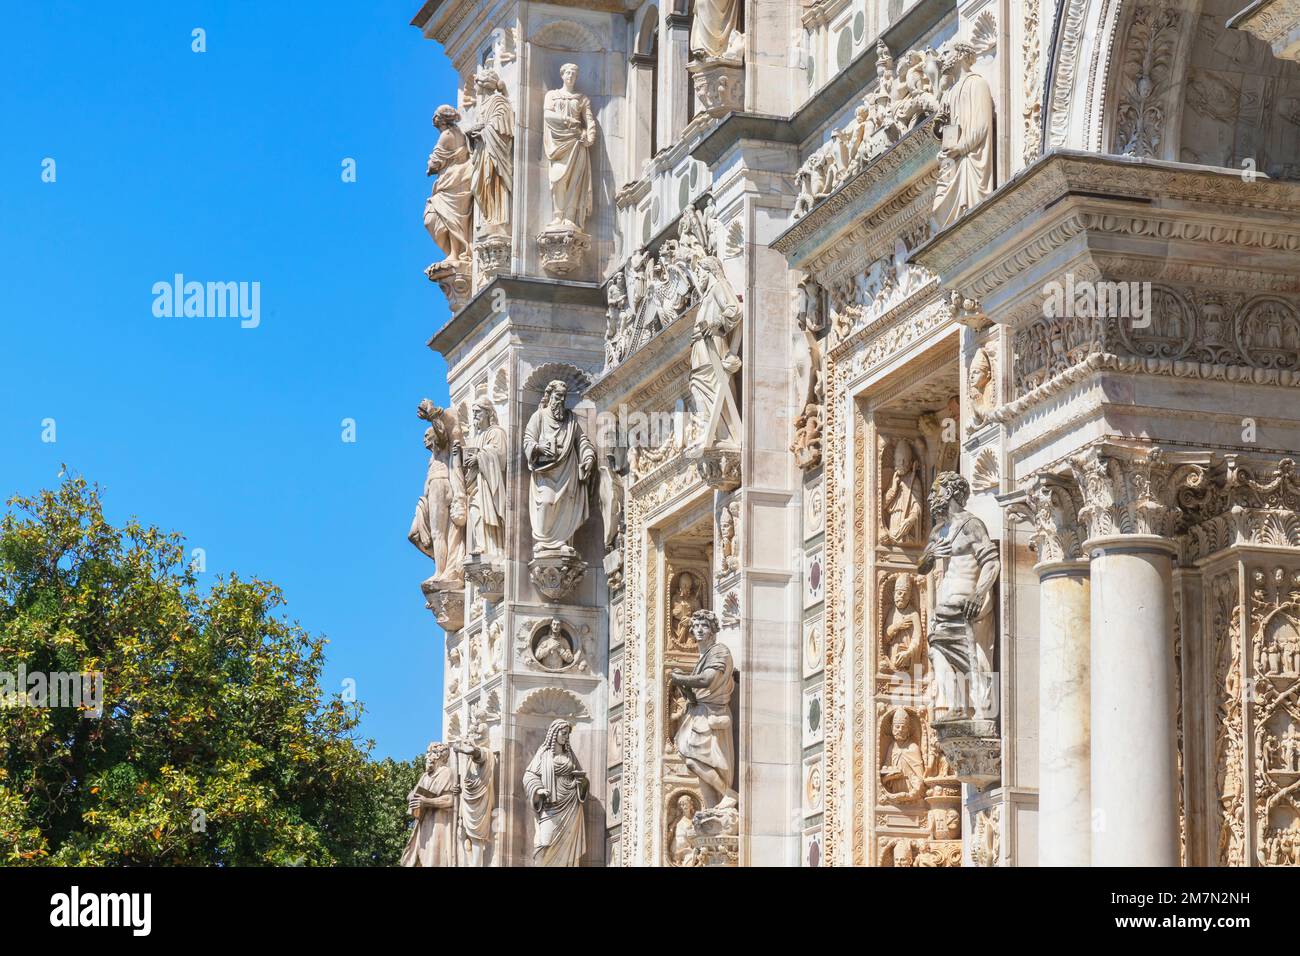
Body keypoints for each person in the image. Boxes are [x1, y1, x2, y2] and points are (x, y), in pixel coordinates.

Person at [668, 610, 736, 809]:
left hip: (712, 714)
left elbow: (707, 680)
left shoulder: (719, 651)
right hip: (699, 714)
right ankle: (712, 808)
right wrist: (684, 685)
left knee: (693, 760)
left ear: (713, 630)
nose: (698, 629)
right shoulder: (703, 656)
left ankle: (728, 793)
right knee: (693, 761)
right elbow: (694, 697)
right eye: (696, 626)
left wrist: (681, 678)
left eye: (704, 626)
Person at [523, 380, 596, 555]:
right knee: (547, 502)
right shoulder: (539, 416)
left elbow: (583, 441)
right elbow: (528, 440)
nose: (561, 401)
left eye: (563, 397)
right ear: (549, 397)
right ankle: (543, 542)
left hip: (567, 471)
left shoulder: (571, 420)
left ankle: (562, 541)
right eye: (558, 397)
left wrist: (588, 457)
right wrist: (540, 448)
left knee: (566, 505)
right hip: (546, 471)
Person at [523, 719, 588, 866]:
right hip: (551, 804)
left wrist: (581, 783)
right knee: (545, 843)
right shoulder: (543, 754)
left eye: (568, 734)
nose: (566, 737)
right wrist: (538, 789)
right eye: (563, 733)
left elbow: (581, 776)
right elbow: (529, 775)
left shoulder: (570, 755)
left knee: (569, 844)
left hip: (571, 803)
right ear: (554, 733)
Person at [400, 743, 460, 867]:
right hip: (423, 822)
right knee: (417, 858)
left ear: (437, 755)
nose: (426, 756)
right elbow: (411, 794)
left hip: (438, 823)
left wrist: (426, 801)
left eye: (429, 753)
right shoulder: (425, 776)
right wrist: (412, 797)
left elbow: (449, 799)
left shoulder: (446, 772)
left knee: (433, 859)